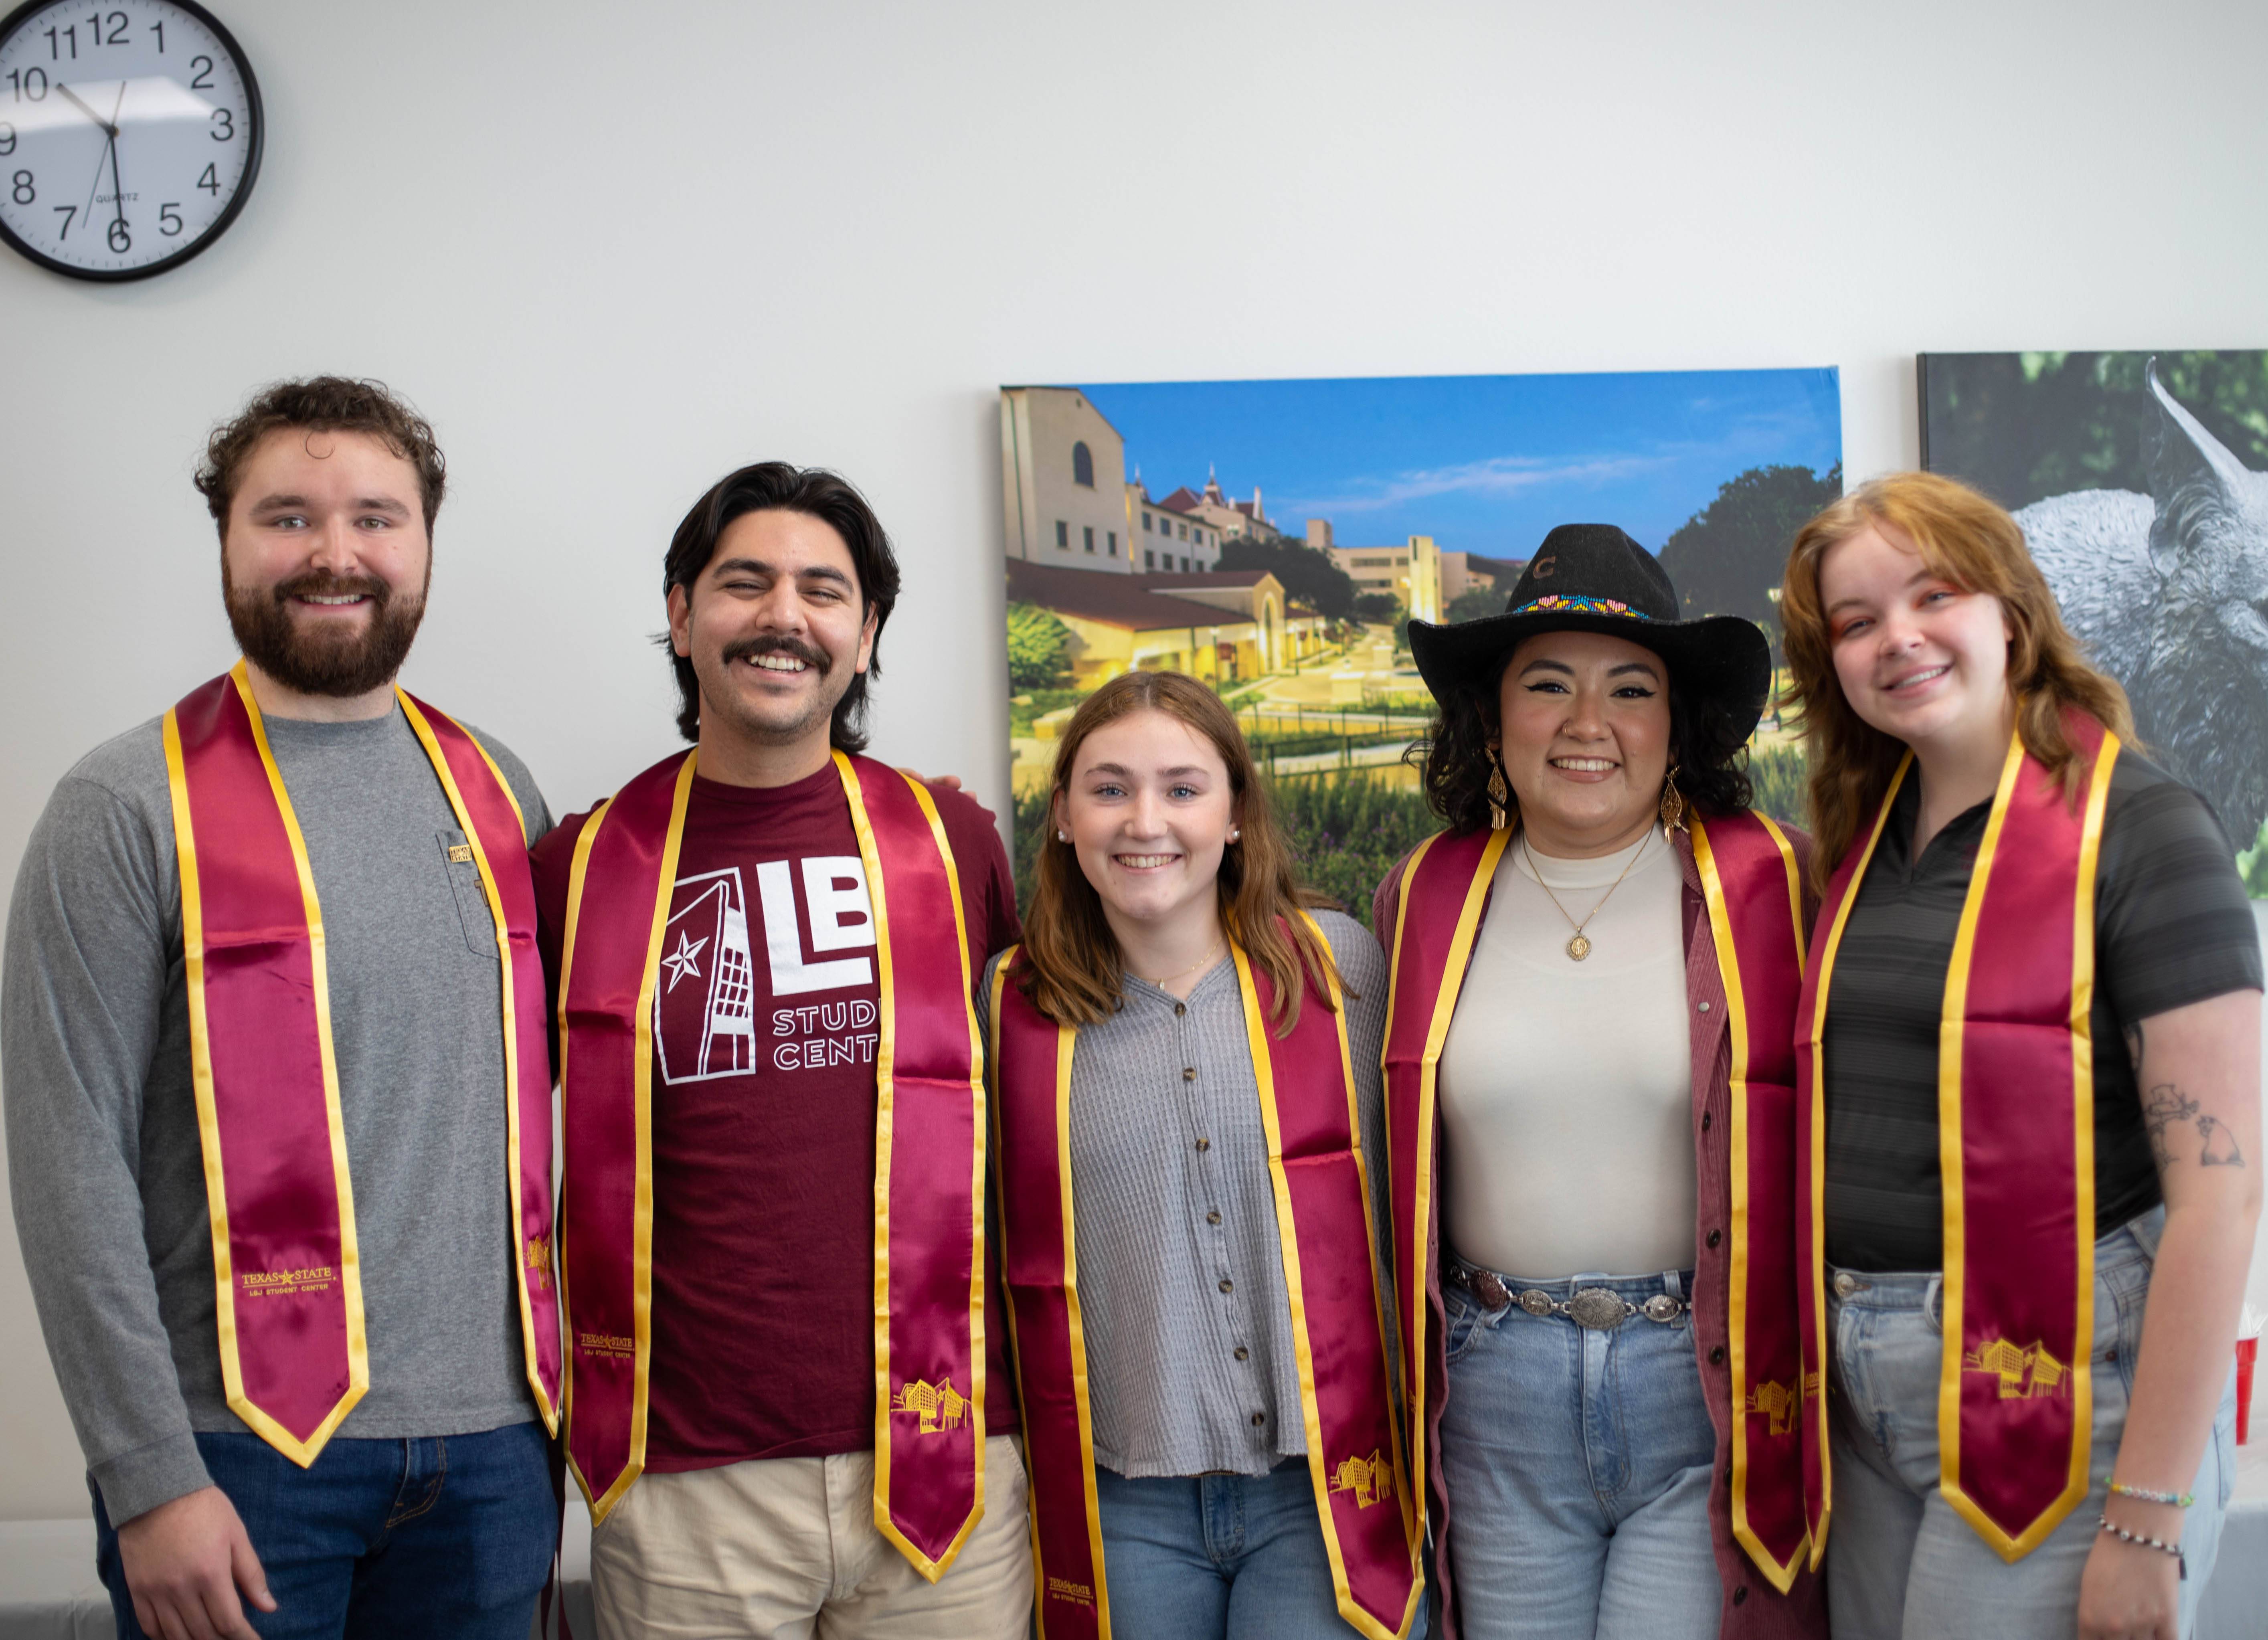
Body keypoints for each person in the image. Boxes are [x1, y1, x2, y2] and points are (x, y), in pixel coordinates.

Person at [4, 378, 563, 1640]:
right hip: (239, 1459)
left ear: (423, 544)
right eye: (287, 516)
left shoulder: (496, 790)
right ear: (225, 540)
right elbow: (66, 1159)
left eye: (377, 515)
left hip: (493, 1450)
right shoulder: (124, 806)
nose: (335, 554)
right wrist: (148, 1480)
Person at [530, 461, 1031, 1637]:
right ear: (680, 613)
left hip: (947, 1450)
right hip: (683, 1476)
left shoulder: (952, 841)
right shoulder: (578, 866)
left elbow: (1038, 1100)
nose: (783, 616)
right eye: (744, 581)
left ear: (866, 636)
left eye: (824, 590)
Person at [1777, 471, 2257, 1640]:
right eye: (1855, 621)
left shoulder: (2145, 828)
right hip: (1866, 1403)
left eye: (1931, 594)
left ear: (2011, 609)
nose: (1897, 638)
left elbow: (2221, 1198)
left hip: (2057, 1393)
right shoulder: (1865, 840)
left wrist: (2148, 1516)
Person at [1375, 525, 1829, 1639]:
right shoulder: (1418, 899)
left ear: (1678, 724)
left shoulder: (1779, 884)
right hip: (1496, 1387)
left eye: (1630, 689)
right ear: (1492, 714)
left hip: (1705, 1383)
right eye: (1548, 685)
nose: (1587, 725)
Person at [984, 669, 1423, 1639]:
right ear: (1061, 816)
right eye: (1109, 789)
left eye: (1183, 788)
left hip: (1324, 1490)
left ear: (1233, 813)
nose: (1146, 821)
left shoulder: (1338, 970)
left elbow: (1416, 1210)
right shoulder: (1008, 1010)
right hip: (1119, 1506)